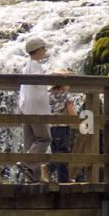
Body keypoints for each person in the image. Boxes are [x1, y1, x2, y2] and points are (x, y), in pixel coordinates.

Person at [19, 36, 63, 183]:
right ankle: (26, 163)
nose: (45, 51)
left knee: (30, 142)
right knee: (45, 138)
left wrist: (49, 90)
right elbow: (38, 78)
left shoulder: (27, 66)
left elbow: (36, 86)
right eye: (44, 48)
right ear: (37, 50)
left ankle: (33, 177)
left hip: (26, 106)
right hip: (36, 107)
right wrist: (55, 75)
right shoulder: (35, 64)